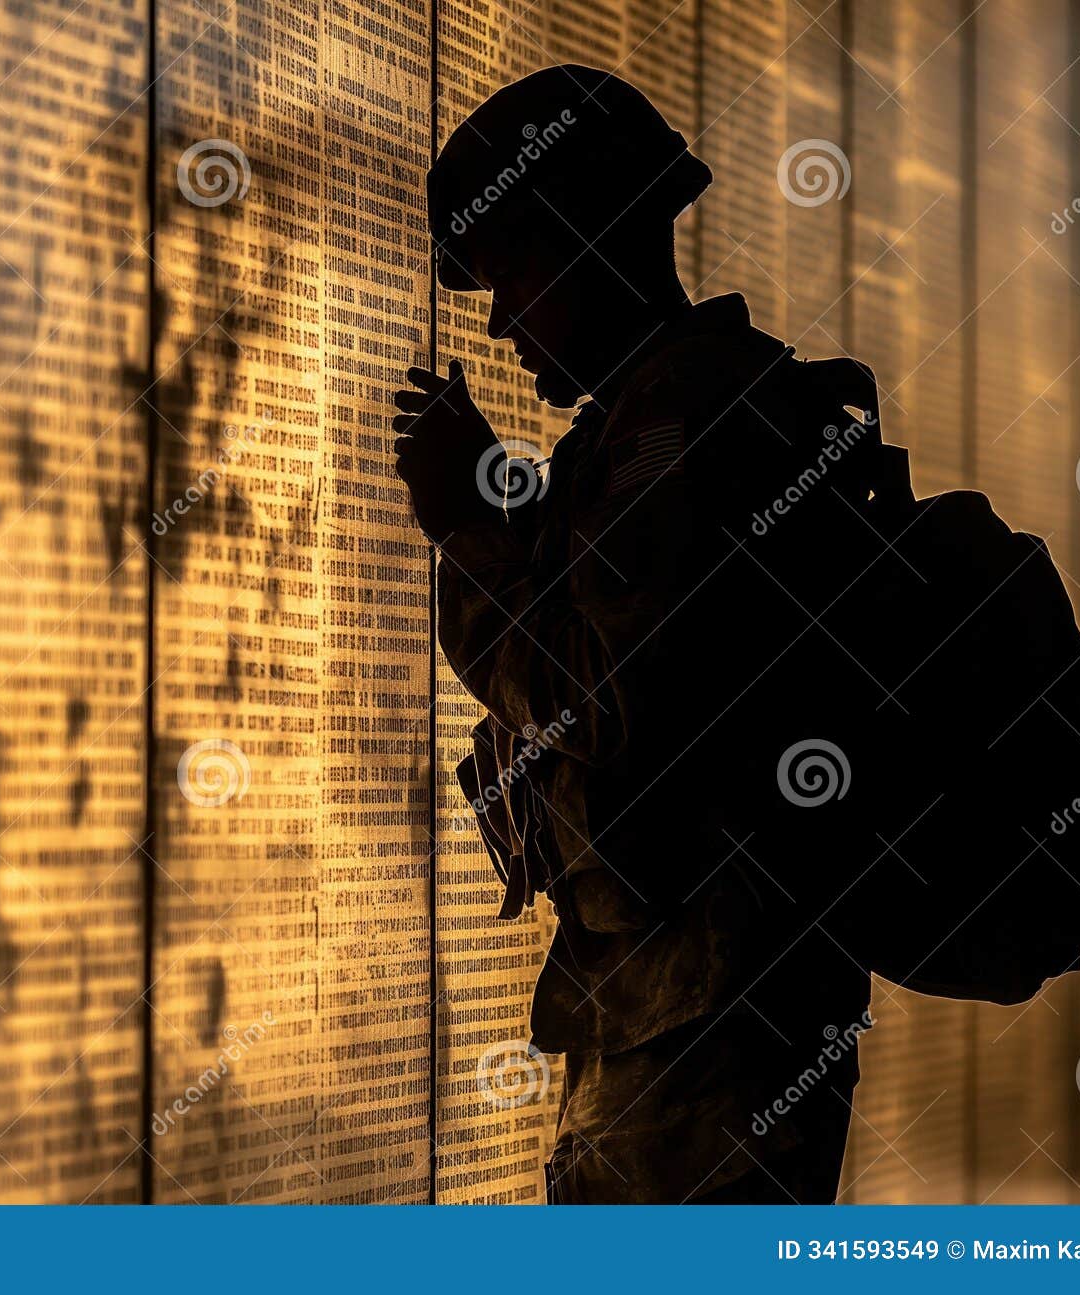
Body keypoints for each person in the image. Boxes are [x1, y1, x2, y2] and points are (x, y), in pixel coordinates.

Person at [393, 65, 878, 1203]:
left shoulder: (683, 423)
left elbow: (599, 697)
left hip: (706, 1016)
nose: (500, 320)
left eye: (512, 275)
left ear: (587, 238)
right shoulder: (663, 422)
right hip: (679, 998)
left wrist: (467, 530)